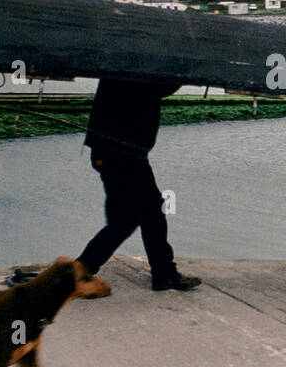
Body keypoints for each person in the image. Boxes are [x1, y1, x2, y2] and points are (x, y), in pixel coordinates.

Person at [77, 78, 201, 292]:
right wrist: (184, 75)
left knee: (152, 211)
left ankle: (163, 274)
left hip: (125, 153)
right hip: (118, 152)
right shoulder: (133, 68)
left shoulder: (128, 64)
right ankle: (80, 271)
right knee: (125, 220)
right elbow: (155, 87)